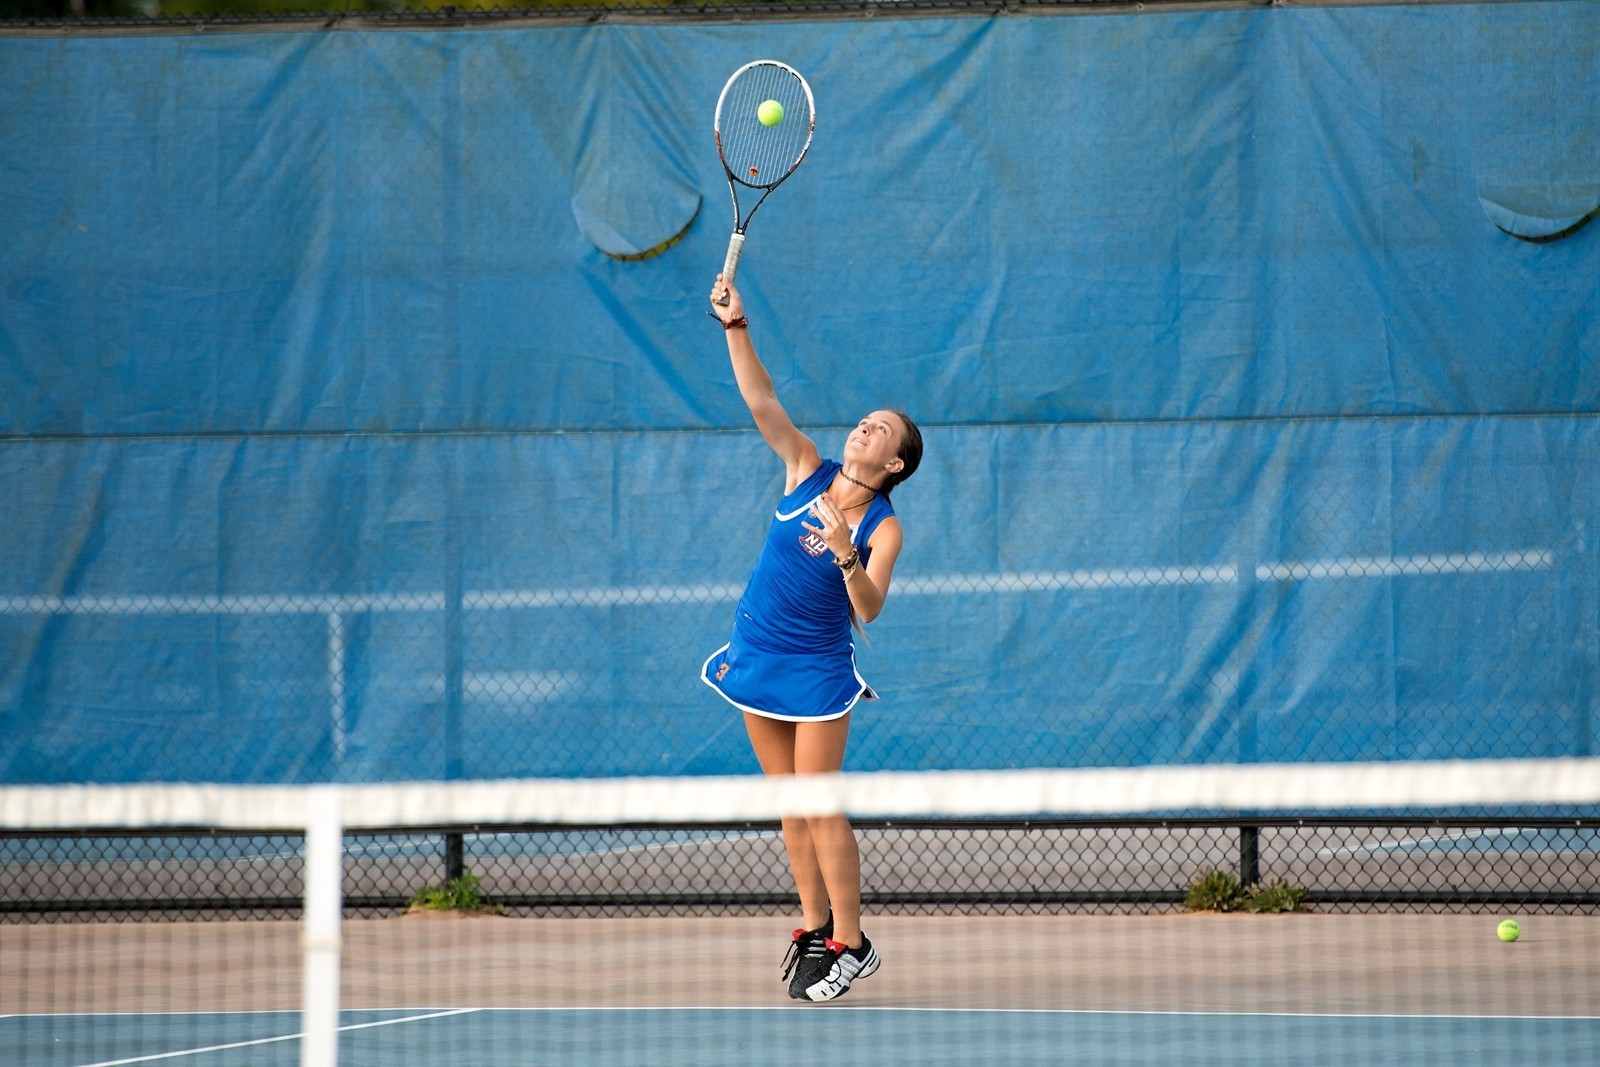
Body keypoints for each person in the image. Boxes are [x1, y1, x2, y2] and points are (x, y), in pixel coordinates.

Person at [700, 274, 923, 1003]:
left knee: (820, 803)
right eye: (864, 421)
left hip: (817, 671)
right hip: (755, 651)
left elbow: (872, 607)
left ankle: (854, 943)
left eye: (880, 430)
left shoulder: (882, 525)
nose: (864, 428)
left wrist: (847, 551)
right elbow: (761, 399)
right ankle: (814, 923)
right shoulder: (806, 468)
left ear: (894, 463)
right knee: (790, 805)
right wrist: (736, 327)